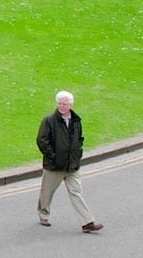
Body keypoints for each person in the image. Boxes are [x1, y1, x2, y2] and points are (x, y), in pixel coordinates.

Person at [37, 91, 100, 232]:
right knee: (47, 192)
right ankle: (43, 215)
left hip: (72, 165)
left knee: (76, 192)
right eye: (59, 103)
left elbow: (79, 139)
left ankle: (87, 222)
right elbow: (42, 141)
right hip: (54, 166)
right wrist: (52, 157)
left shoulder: (76, 120)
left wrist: (78, 154)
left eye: (64, 104)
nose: (61, 106)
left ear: (70, 104)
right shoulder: (49, 121)